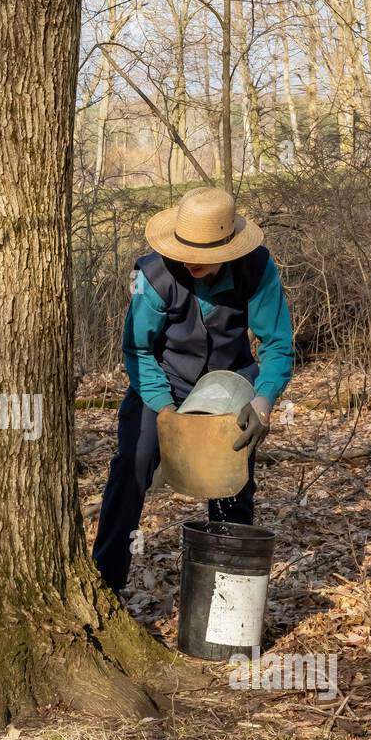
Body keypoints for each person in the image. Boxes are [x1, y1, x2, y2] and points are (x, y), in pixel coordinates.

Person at [93, 187, 294, 592]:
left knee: (232, 483)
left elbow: (278, 344)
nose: (191, 261)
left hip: (230, 385)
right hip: (162, 382)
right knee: (133, 463)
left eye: (204, 254)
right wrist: (165, 412)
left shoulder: (256, 267)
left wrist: (263, 401)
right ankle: (105, 584)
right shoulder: (150, 275)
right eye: (186, 250)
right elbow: (136, 349)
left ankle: (226, 597)